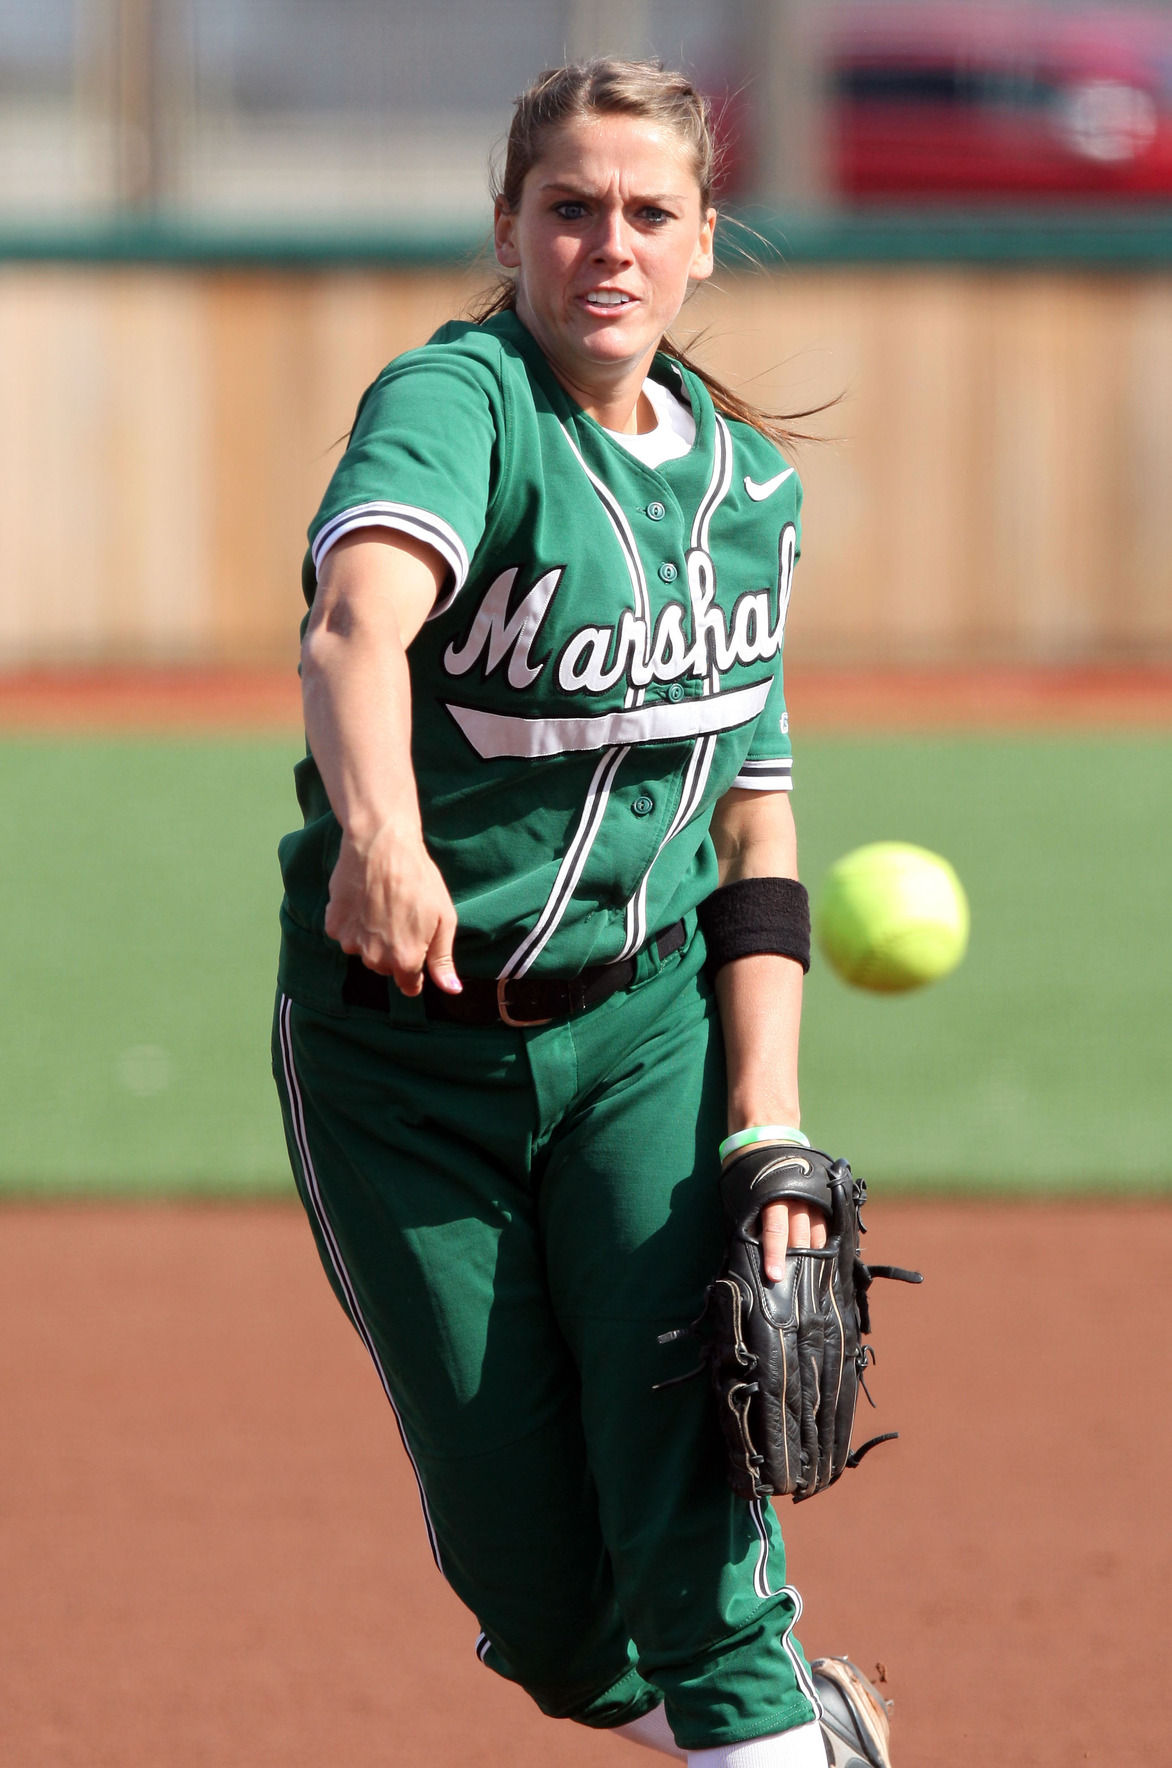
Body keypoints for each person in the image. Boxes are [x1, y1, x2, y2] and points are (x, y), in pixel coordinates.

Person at [272, 57, 892, 1768]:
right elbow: (354, 628)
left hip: (642, 1038)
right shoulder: (459, 405)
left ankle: (761, 1722)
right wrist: (380, 839)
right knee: (540, 1607)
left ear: (705, 244)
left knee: (692, 1525)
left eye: (648, 214)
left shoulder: (749, 494)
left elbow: (758, 820)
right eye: (569, 209)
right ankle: (784, 1726)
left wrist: (765, 1128)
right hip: (401, 1073)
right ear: (511, 230)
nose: (605, 246)